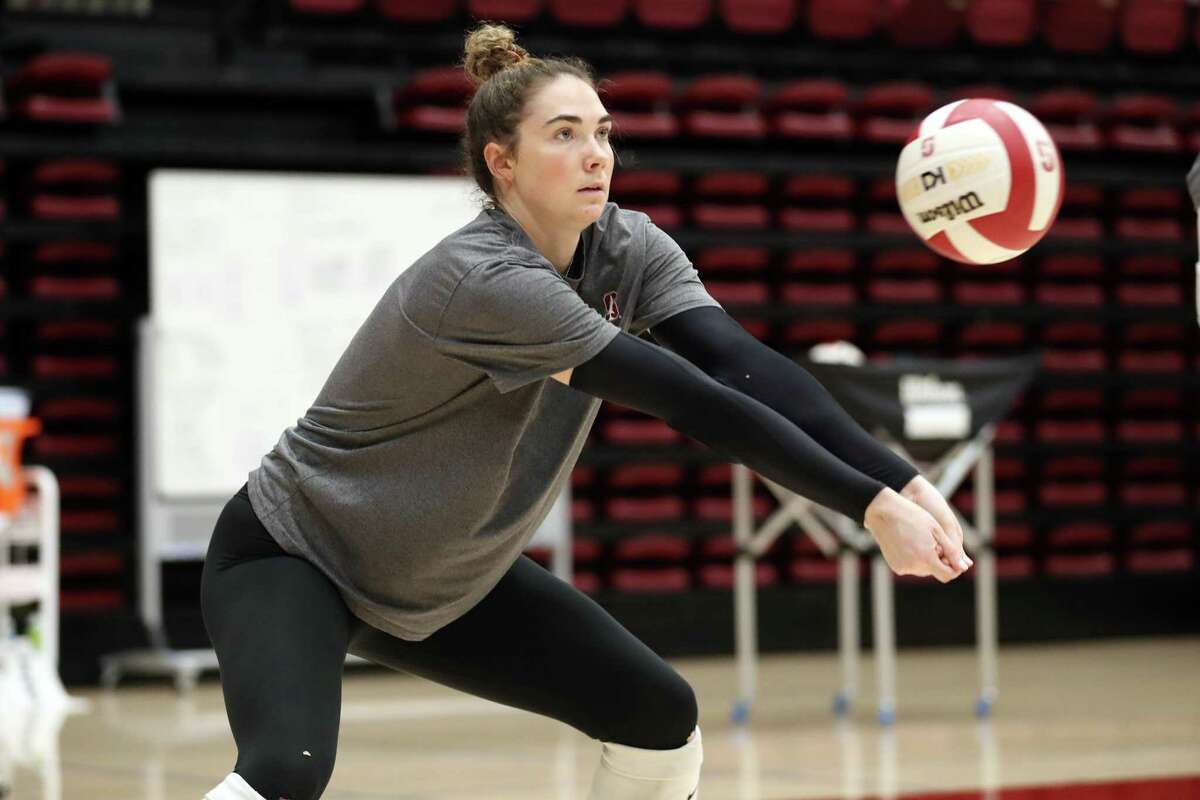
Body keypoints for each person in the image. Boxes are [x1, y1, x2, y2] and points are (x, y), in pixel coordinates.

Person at [201, 23, 971, 800]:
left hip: (444, 576)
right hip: (298, 553)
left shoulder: (628, 247)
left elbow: (745, 368)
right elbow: (690, 399)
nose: (596, 153)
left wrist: (897, 480)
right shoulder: (484, 278)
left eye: (602, 131)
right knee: (283, 774)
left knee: (659, 721)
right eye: (563, 135)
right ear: (501, 163)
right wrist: (867, 506)